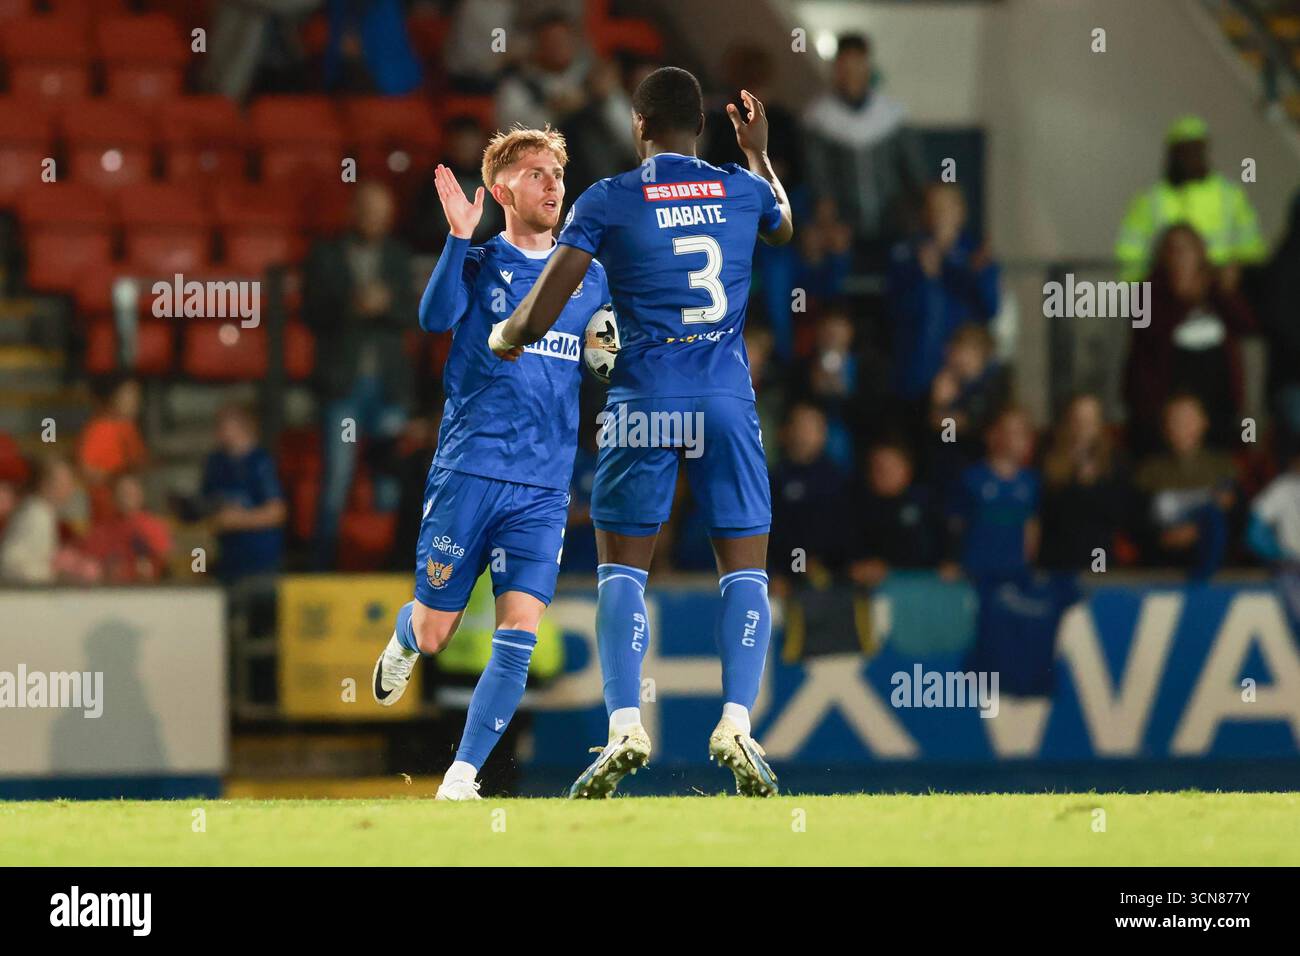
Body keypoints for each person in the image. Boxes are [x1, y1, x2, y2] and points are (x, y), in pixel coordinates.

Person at [488, 67, 794, 798]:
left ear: (637, 124)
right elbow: (784, 222)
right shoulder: (741, 186)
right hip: (725, 398)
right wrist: (756, 152)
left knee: (622, 570)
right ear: (703, 127)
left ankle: (626, 723)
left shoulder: (610, 200)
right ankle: (736, 724)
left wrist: (506, 336)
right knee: (744, 570)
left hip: (644, 400)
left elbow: (544, 306)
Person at [369, 126, 610, 801]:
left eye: (558, 173)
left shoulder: (588, 277)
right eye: (537, 173)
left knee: (519, 633)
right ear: (503, 190)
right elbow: (434, 317)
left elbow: (606, 353)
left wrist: (612, 356)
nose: (553, 184)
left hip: (542, 485)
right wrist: (457, 238)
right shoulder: (480, 263)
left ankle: (460, 776)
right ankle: (405, 635)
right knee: (438, 631)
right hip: (469, 468)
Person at [304, 180, 416, 567]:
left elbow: (413, 314)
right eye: (368, 212)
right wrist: (352, 304)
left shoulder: (398, 257)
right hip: (343, 385)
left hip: (388, 386)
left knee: (390, 482)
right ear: (354, 213)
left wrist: (384, 305)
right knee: (337, 479)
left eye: (381, 215)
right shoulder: (325, 254)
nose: (374, 220)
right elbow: (312, 312)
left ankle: (389, 567)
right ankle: (323, 569)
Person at [1123, 224, 1254, 454]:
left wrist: (1225, 292)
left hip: (1218, 401)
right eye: (1173, 250)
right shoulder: (1149, 291)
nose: (1180, 258)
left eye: (1186, 250)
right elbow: (1149, 334)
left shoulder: (1214, 290)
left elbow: (1247, 325)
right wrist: (1182, 298)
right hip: (1165, 399)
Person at [802, 33, 924, 269]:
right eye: (844, 65)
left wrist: (917, 216)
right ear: (836, 68)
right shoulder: (819, 119)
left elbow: (915, 174)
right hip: (842, 226)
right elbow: (818, 179)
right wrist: (827, 219)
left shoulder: (892, 116)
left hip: (891, 221)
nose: (851, 72)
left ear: (867, 65)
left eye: (857, 63)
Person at [1115, 115, 1267, 285]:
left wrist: (1241, 274)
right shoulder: (1149, 200)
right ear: (1172, 155)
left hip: (1219, 289)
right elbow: (1130, 253)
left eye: (1195, 150)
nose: (1189, 158)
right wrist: (1139, 289)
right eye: (1184, 151)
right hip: (1167, 291)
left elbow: (1251, 247)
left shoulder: (1231, 195)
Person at [888, 183, 1000, 405]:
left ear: (961, 212)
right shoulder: (906, 254)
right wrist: (924, 277)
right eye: (933, 208)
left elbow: (991, 308)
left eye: (947, 208)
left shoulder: (975, 254)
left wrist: (977, 275)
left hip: (965, 372)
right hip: (916, 369)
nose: (940, 215)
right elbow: (893, 309)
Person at [1134, 393, 1236, 579]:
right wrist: (1162, 540)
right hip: (1160, 565)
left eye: (1189, 419)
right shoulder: (1148, 472)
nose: (1182, 427)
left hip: (1215, 570)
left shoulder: (1223, 467)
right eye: (1175, 420)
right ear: (1165, 427)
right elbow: (1136, 522)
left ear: (1203, 423)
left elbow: (1235, 515)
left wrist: (1198, 532)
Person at [1038, 394, 1131, 572]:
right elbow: (1046, 513)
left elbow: (1119, 514)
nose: (1083, 427)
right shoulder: (1049, 461)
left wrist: (1091, 485)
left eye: (1089, 421)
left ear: (1099, 424)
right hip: (1058, 555)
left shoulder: (1115, 462)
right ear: (1067, 423)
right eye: (1078, 420)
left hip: (1098, 552)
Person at [199, 403, 287, 583]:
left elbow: (277, 512)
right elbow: (206, 504)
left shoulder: (260, 463)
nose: (219, 431)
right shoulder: (215, 463)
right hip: (227, 560)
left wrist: (238, 519)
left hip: (259, 561)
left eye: (224, 425)